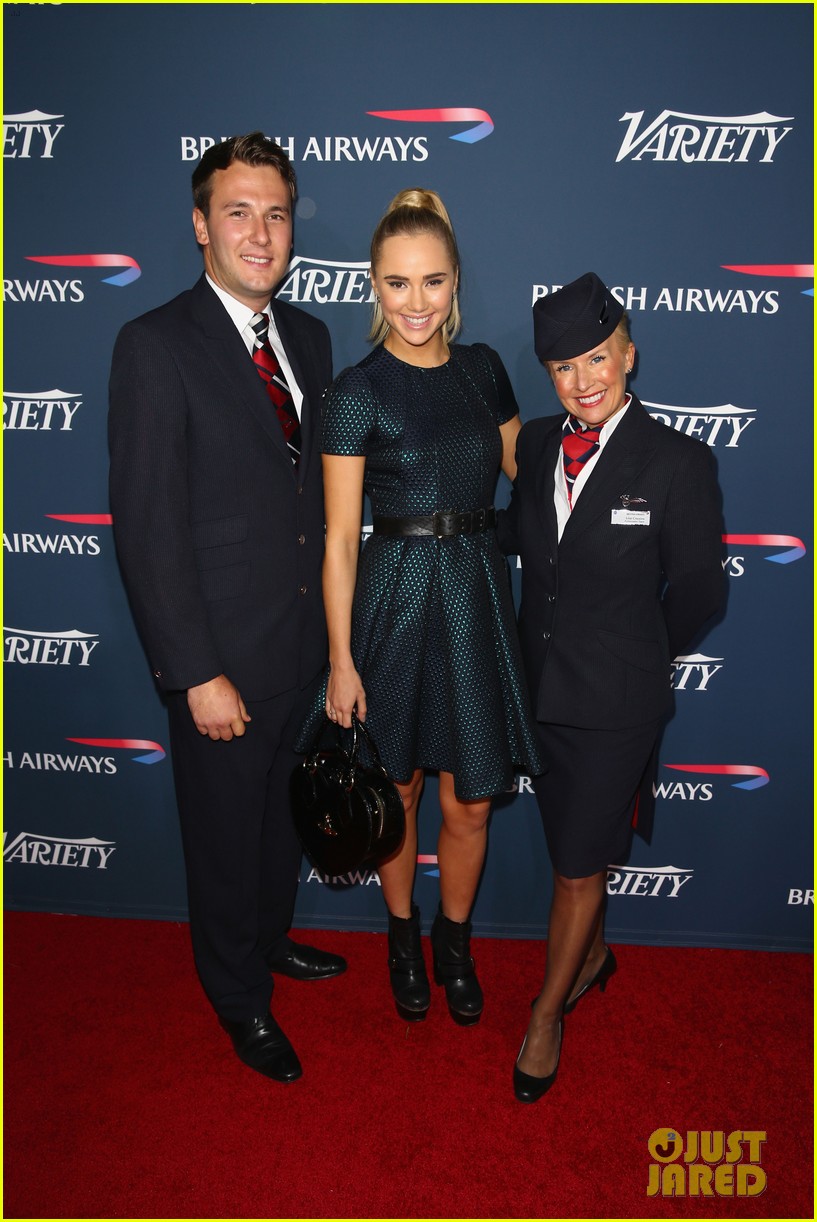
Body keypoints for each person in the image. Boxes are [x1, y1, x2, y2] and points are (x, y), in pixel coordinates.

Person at [108, 132, 345, 1085]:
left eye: (276, 213)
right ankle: (238, 998)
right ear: (200, 224)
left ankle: (270, 940)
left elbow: (319, 500)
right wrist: (194, 671)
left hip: (299, 645)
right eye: (238, 211)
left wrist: (337, 645)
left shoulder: (314, 337)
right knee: (219, 835)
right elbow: (147, 527)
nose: (260, 232)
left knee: (279, 823)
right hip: (218, 659)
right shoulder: (154, 345)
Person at [303, 188, 542, 1026]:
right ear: (373, 285)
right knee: (396, 791)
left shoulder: (482, 371)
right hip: (394, 599)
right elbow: (338, 540)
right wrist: (341, 659)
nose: (416, 303)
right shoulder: (354, 392)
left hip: (475, 592)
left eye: (432, 282)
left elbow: (529, 472)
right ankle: (402, 938)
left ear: (455, 283)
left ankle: (454, 941)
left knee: (469, 800)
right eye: (397, 284)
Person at [498, 272, 725, 1101]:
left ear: (628, 353)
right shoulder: (531, 450)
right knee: (573, 853)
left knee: (573, 871)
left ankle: (547, 1014)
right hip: (540, 697)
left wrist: (632, 658)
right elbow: (522, 543)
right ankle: (592, 955)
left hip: (615, 709)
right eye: (562, 366)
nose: (582, 380)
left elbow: (701, 591)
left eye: (596, 357)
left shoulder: (675, 462)